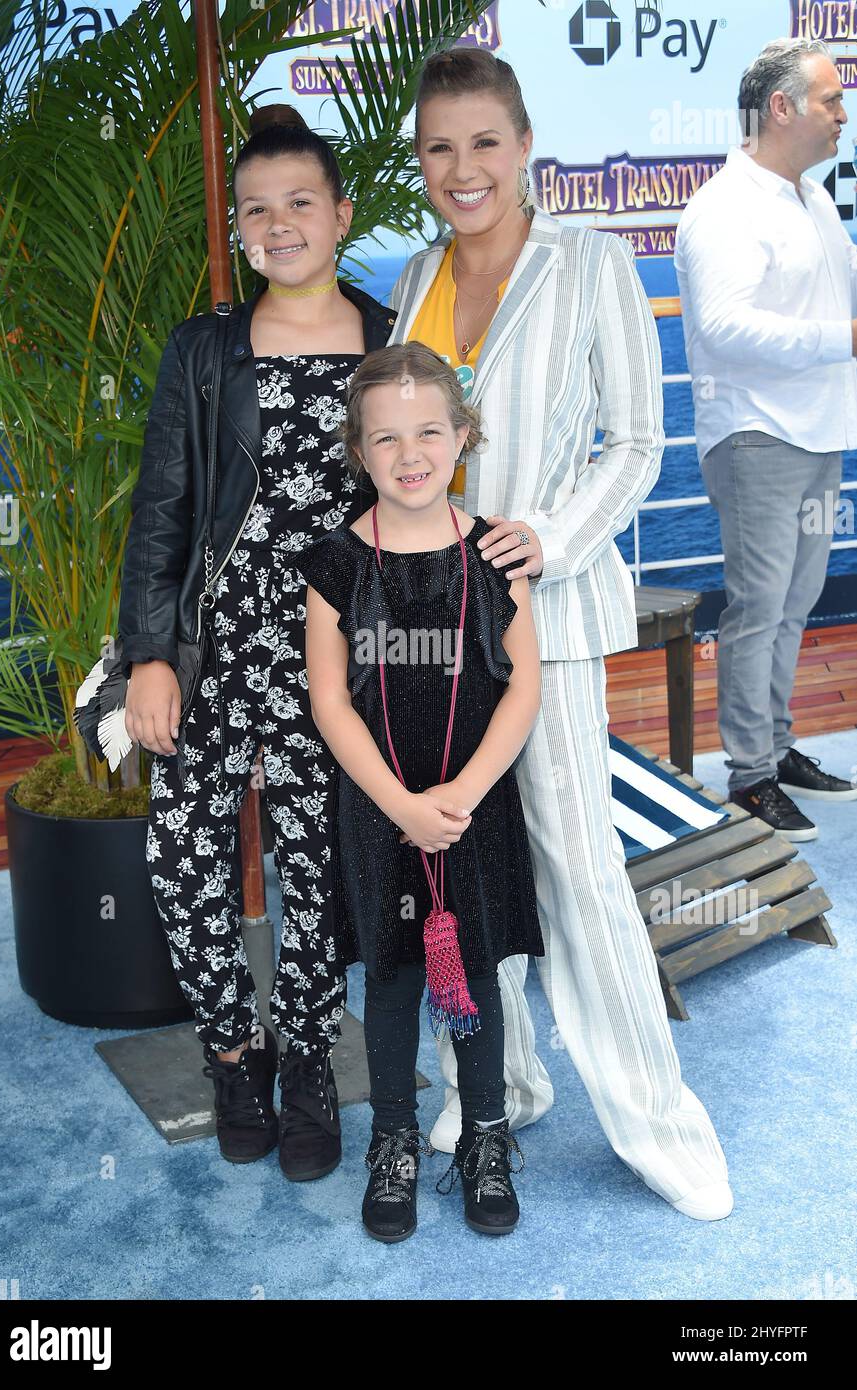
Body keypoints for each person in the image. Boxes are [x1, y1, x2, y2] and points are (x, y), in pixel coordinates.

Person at [388, 46, 734, 1220]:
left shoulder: (593, 265)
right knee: (463, 866)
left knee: (580, 870)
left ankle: (660, 1126)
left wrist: (553, 534)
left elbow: (639, 443)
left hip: (554, 617)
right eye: (440, 146)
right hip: (434, 633)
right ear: (421, 160)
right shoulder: (417, 278)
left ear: (527, 145)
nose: (463, 167)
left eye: (485, 141)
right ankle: (504, 1083)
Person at [117, 104, 396, 1181]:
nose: (280, 226)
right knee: (185, 857)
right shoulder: (205, 348)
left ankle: (312, 1060)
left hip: (336, 654)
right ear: (238, 228)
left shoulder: (385, 341)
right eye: (257, 211)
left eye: (300, 205)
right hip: (211, 646)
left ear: (341, 213)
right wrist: (149, 652)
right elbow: (164, 508)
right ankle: (234, 1053)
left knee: (314, 869)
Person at [297, 342, 544, 1241]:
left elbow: (522, 684)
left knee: (472, 971)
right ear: (358, 453)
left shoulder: (496, 554)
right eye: (385, 437)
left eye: (429, 431)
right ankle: (393, 1139)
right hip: (376, 812)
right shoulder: (334, 564)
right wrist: (401, 807)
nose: (409, 453)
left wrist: (464, 794)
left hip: (471, 811)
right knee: (393, 979)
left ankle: (485, 1135)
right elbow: (329, 698)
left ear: (462, 435)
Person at [675, 37, 857, 839]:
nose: (842, 115)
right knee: (757, 609)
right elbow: (721, 327)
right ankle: (748, 777)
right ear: (779, 108)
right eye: (830, 100)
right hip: (755, 435)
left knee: (793, 604)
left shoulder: (811, 201)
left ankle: (776, 751)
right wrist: (841, 338)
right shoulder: (722, 206)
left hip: (816, 430)